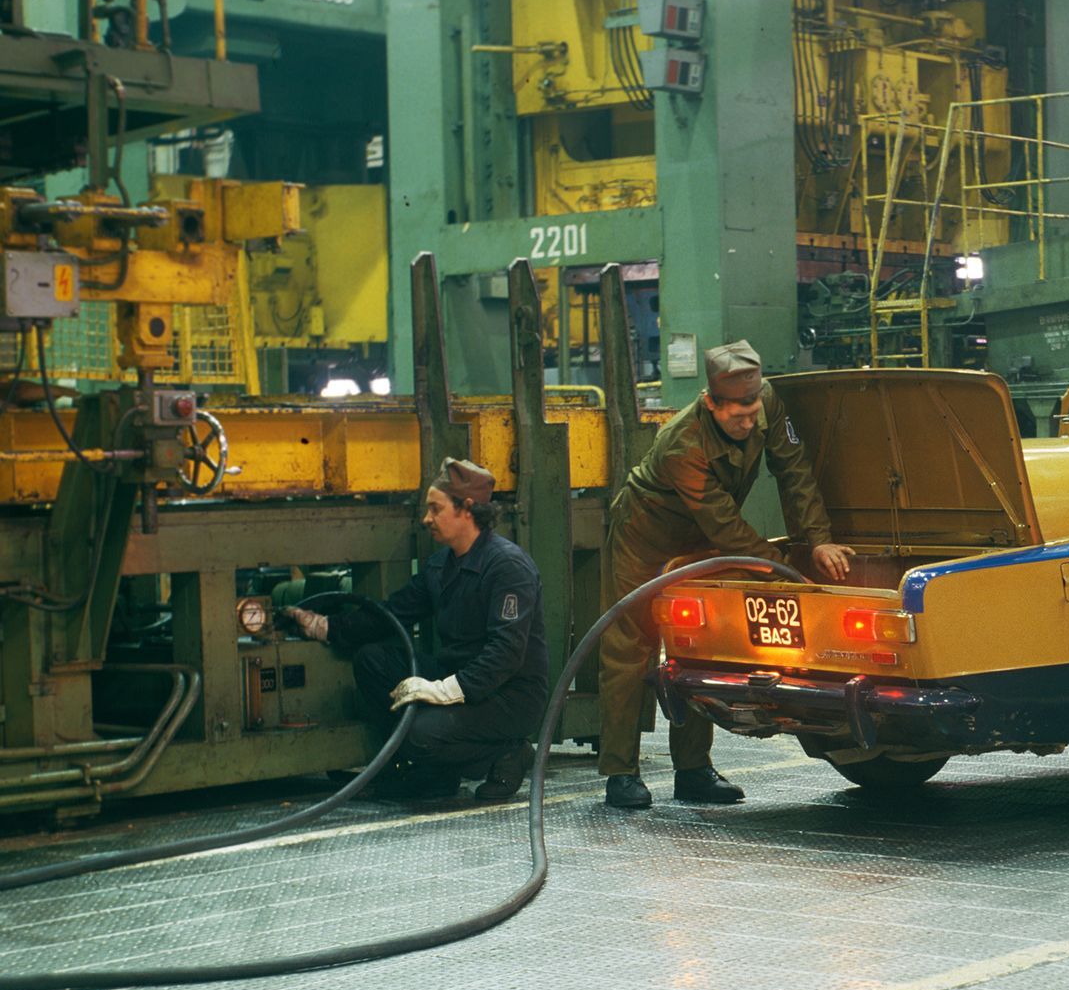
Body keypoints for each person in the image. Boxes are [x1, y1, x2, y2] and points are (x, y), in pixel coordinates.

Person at [599, 339, 852, 810]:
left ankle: (693, 771)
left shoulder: (767, 402)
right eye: (736, 410)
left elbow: (794, 470)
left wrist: (817, 540)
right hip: (647, 534)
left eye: (753, 406)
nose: (748, 419)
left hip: (702, 534)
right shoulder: (682, 443)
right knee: (630, 651)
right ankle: (620, 773)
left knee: (697, 644)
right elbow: (725, 525)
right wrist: (780, 572)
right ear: (710, 402)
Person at [285, 458, 548, 804]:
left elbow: (505, 655)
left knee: (420, 735)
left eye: (435, 509)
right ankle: (434, 774)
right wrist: (325, 627)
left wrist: (441, 691)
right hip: (461, 677)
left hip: (508, 695)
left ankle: (507, 752)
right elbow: (392, 615)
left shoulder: (507, 567)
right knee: (372, 660)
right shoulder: (440, 566)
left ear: (466, 509)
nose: (427, 519)